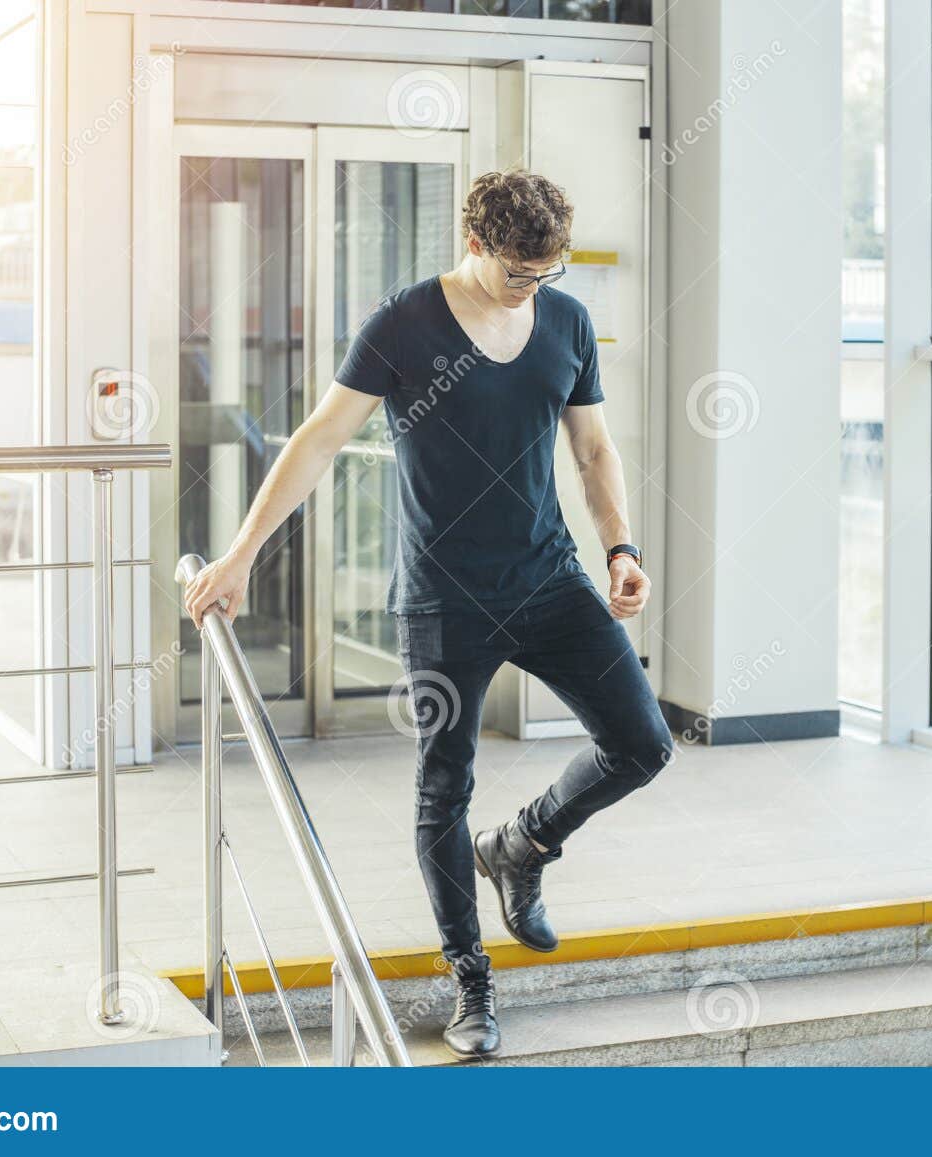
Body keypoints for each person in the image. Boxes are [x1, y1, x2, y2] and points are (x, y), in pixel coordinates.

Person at [182, 169, 674, 1060]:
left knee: (643, 741)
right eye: (519, 271)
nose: (534, 288)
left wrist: (622, 548)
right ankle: (470, 977)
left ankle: (522, 845)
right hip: (443, 600)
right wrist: (242, 552)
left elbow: (594, 447)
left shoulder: (563, 320)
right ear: (476, 243)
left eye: (547, 272)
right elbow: (319, 438)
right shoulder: (405, 321)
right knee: (443, 788)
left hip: (550, 580)